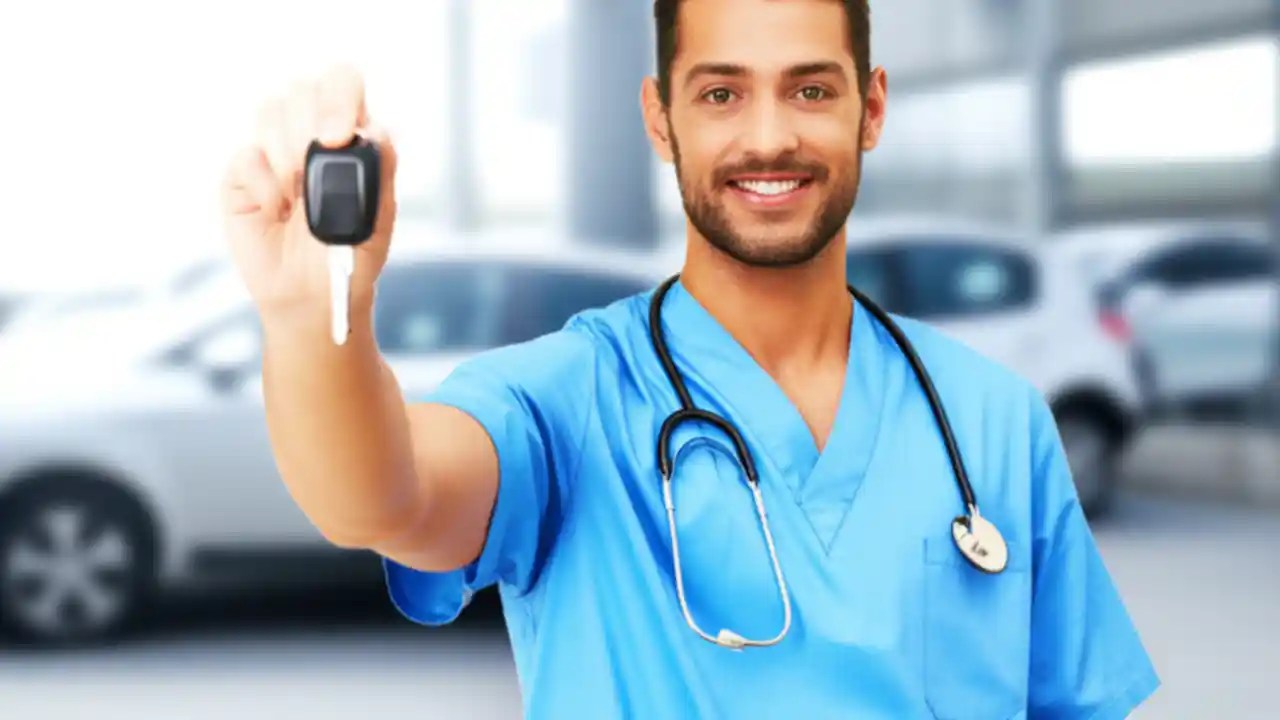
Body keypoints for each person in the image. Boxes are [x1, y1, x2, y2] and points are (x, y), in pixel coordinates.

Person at [221, 0, 1160, 716]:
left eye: (811, 88)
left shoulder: (993, 418)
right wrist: (313, 323)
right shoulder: (571, 397)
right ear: (660, 117)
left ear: (870, 109)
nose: (768, 136)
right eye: (720, 93)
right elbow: (380, 498)